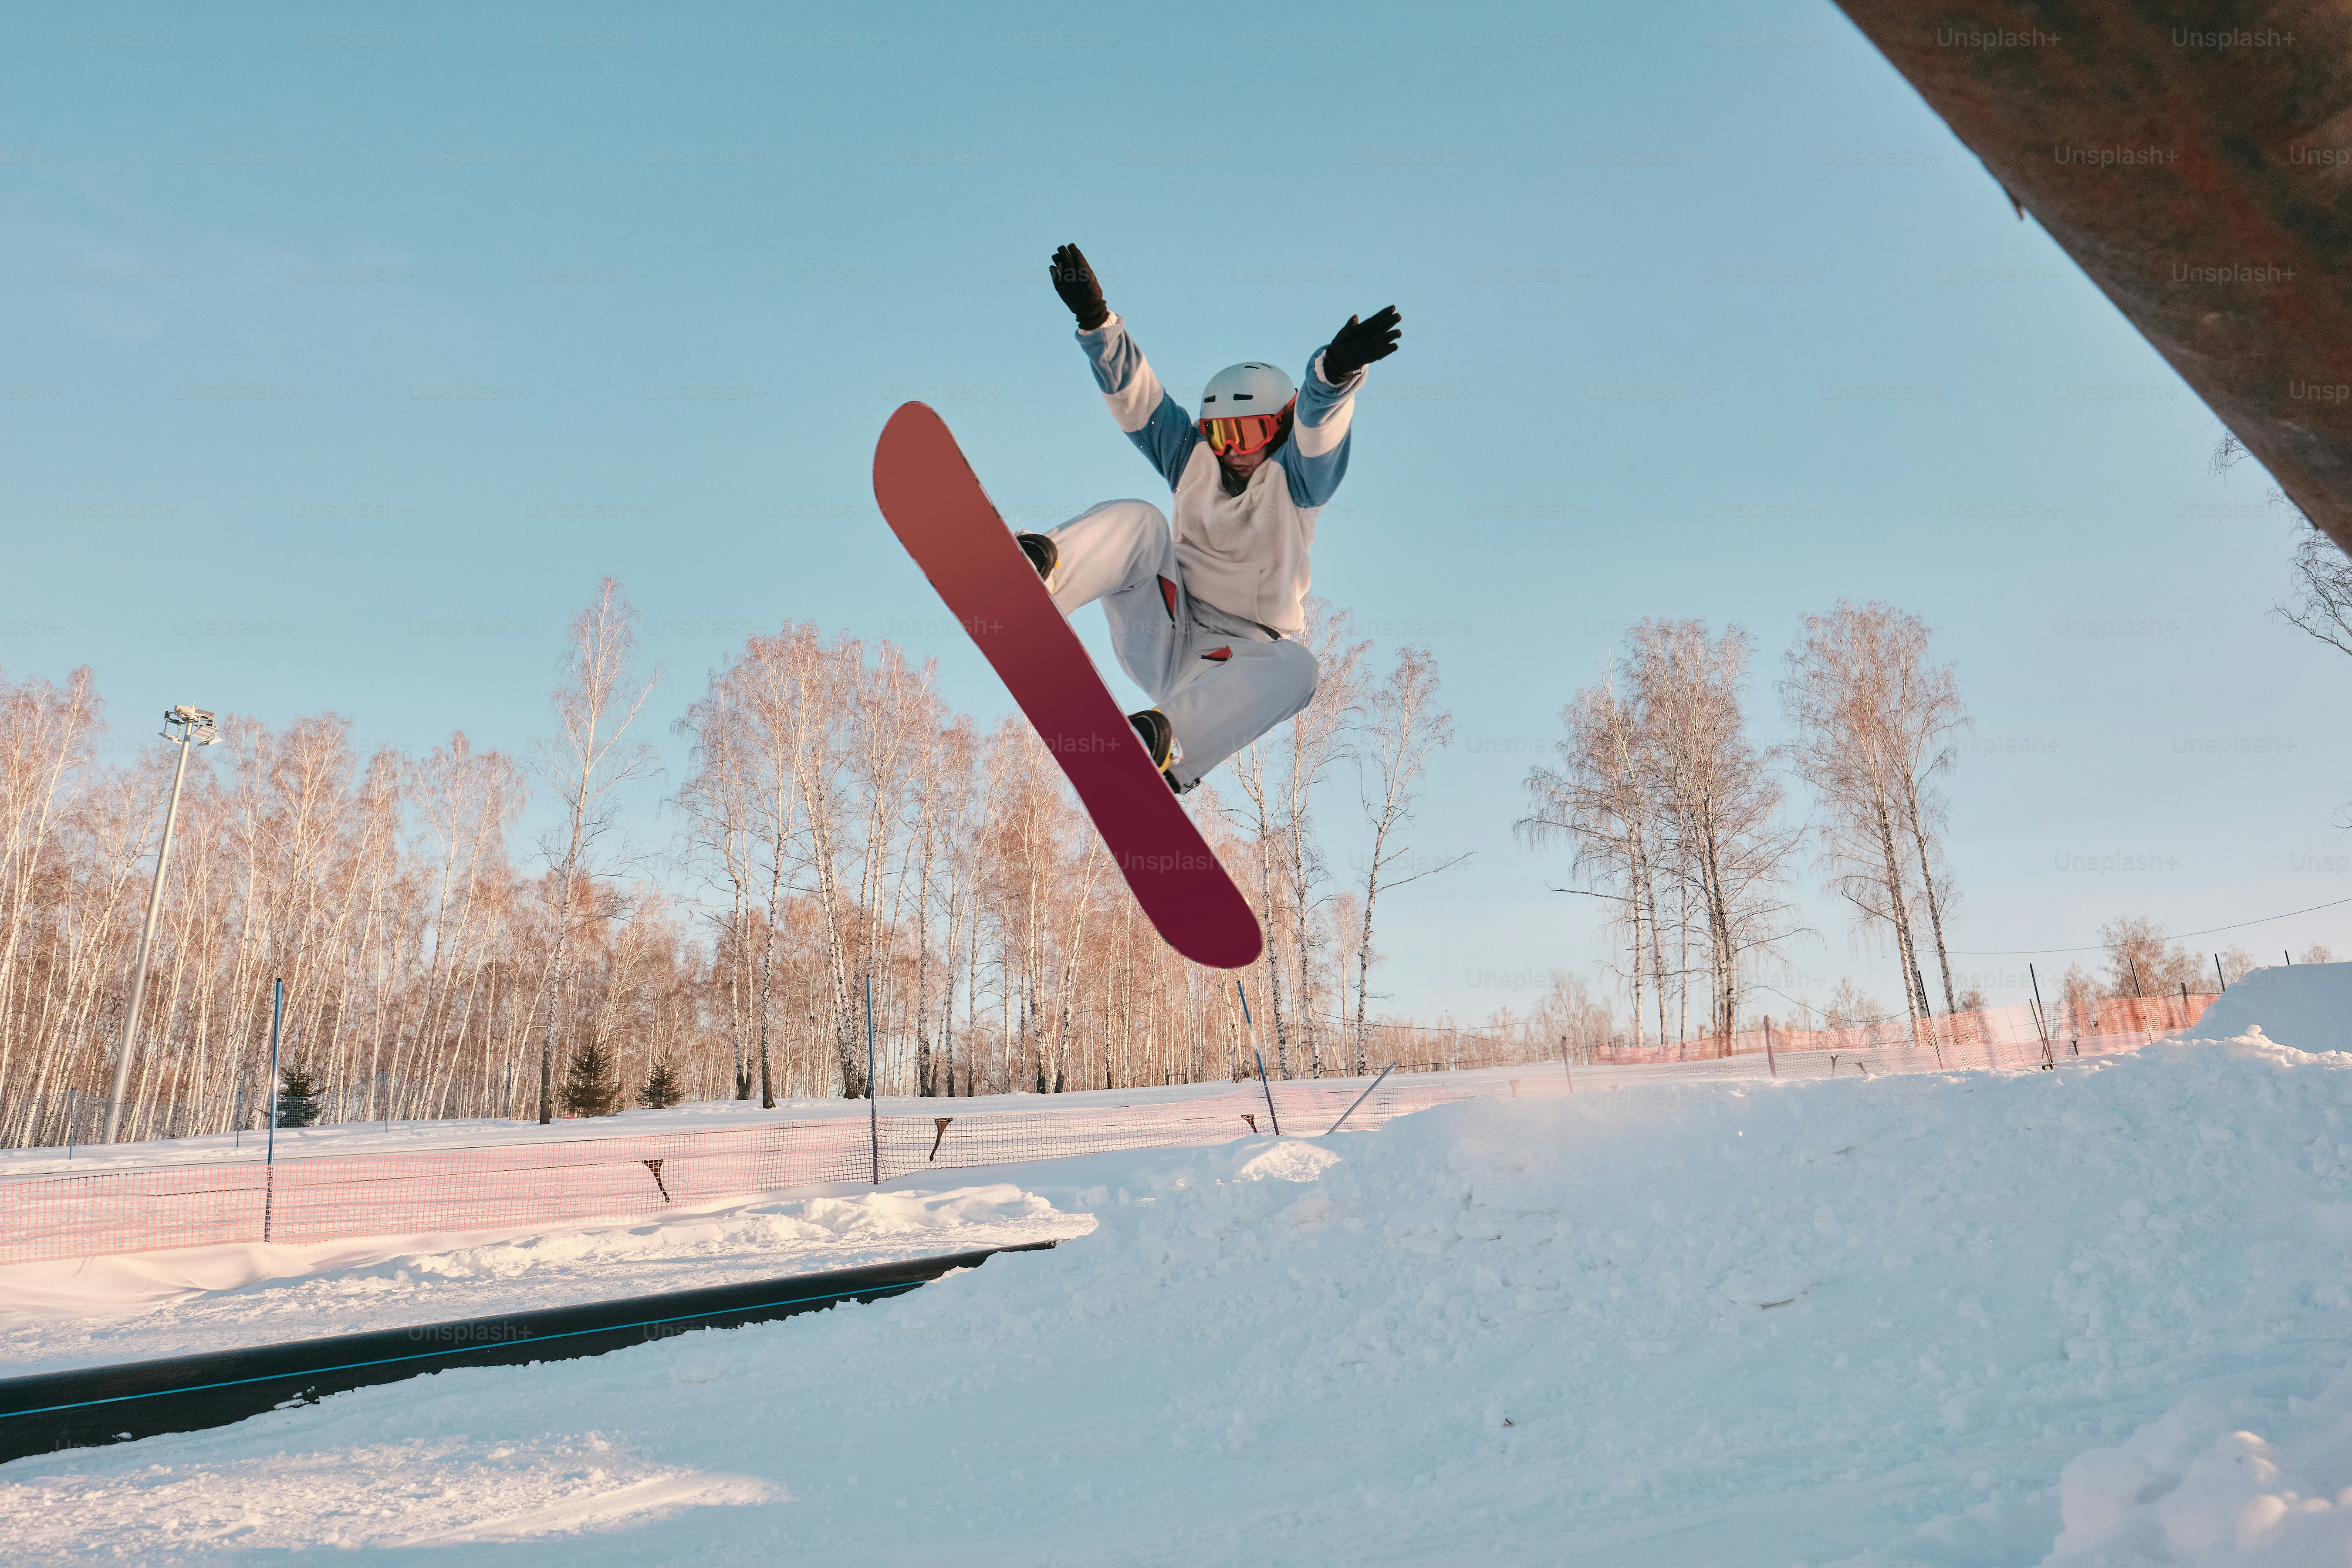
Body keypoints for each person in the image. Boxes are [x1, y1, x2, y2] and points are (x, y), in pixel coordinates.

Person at [1021, 242, 1402, 793]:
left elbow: (1320, 431)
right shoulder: (1190, 457)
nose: (1230, 451)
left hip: (1236, 662)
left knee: (1300, 669)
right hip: (1164, 628)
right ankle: (1041, 576)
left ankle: (1170, 740)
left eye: (1244, 435)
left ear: (1279, 427)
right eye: (1220, 434)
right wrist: (1096, 321)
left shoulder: (1297, 482)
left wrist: (1334, 372)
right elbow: (1140, 401)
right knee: (1142, 521)